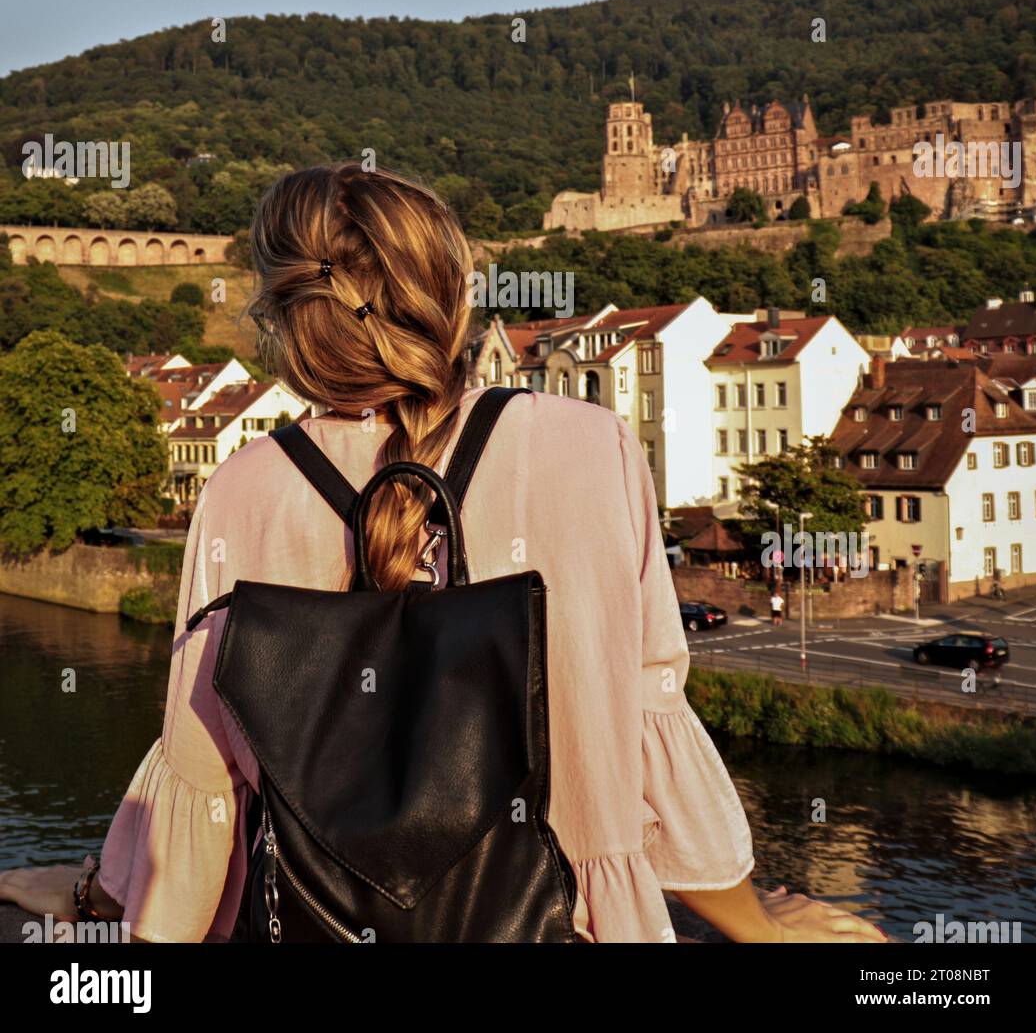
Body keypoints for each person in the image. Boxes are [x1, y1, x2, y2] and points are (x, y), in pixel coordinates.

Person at [0, 164, 885, 945]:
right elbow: (647, 725)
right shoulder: (592, 448)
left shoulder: (243, 490)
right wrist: (761, 927)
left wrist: (94, 901)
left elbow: (203, 782)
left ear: (284, 322)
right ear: (453, 295)